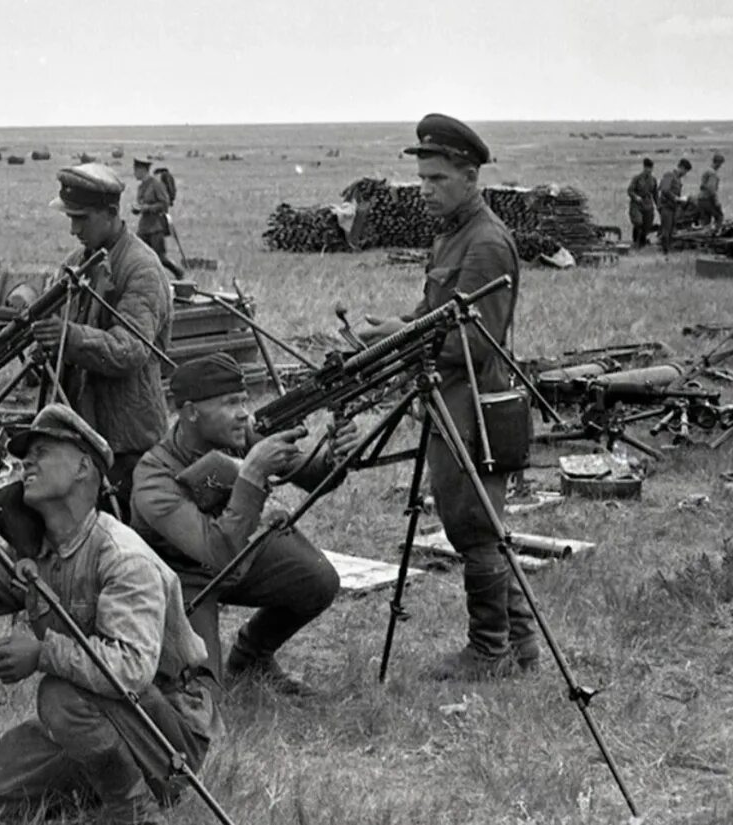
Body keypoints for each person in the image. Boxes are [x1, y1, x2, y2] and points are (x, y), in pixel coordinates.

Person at [0, 404, 219, 825]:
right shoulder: (38, 552)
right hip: (98, 717)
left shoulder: (121, 556)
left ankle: (133, 808)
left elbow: (131, 669)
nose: (27, 461)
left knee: (59, 695)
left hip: (166, 729)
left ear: (83, 468)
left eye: (41, 451)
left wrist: (42, 653)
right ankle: (101, 780)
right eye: (27, 453)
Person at [354, 113, 535, 681]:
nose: (425, 189)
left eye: (437, 179)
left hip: (471, 403)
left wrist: (404, 337)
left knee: (474, 526)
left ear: (471, 176)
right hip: (447, 397)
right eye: (423, 178)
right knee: (474, 523)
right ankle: (520, 645)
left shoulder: (485, 243)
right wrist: (400, 323)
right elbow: (438, 312)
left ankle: (489, 649)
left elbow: (473, 340)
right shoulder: (453, 234)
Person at [131, 352, 360, 696]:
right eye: (229, 403)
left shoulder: (239, 435)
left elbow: (312, 475)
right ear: (191, 412)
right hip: (183, 581)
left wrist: (335, 457)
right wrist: (252, 473)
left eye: (243, 400)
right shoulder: (153, 478)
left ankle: (251, 655)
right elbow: (216, 553)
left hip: (240, 555)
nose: (243, 413)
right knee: (201, 697)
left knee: (318, 580)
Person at [32, 162, 174, 518]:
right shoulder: (75, 263)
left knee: (125, 537)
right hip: (81, 429)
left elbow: (131, 349)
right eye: (70, 217)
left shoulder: (141, 268)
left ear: (111, 214)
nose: (73, 229)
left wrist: (69, 337)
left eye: (82, 218)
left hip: (126, 439)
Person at [131, 157, 185, 279]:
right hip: (144, 227)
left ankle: (178, 273)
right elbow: (142, 204)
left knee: (160, 257)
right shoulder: (141, 187)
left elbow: (164, 203)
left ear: (143, 170)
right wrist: (136, 209)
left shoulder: (156, 184)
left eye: (136, 170)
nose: (134, 173)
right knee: (138, 254)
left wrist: (147, 208)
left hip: (156, 227)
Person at [657, 158, 692, 255]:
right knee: (666, 229)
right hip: (666, 206)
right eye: (685, 171)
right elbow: (664, 190)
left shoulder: (678, 179)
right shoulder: (669, 175)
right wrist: (675, 198)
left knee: (671, 229)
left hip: (673, 207)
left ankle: (668, 249)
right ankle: (665, 251)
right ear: (681, 167)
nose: (685, 174)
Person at [627, 157, 658, 248]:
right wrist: (636, 197)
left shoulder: (653, 180)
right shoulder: (637, 178)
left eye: (651, 168)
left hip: (648, 203)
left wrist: (658, 205)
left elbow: (655, 194)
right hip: (637, 204)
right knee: (638, 221)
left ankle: (642, 241)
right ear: (644, 168)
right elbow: (630, 190)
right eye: (647, 168)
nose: (649, 170)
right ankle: (636, 240)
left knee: (647, 224)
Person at [697, 153, 724, 229]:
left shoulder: (706, 170)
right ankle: (717, 234)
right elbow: (711, 189)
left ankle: (703, 236)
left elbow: (702, 185)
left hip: (701, 199)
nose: (720, 166)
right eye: (720, 164)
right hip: (708, 199)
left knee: (705, 221)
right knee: (719, 216)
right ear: (718, 163)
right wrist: (716, 201)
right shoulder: (713, 173)